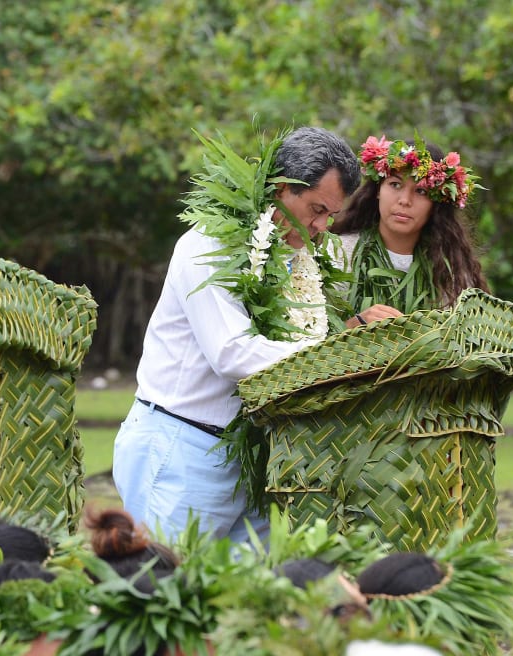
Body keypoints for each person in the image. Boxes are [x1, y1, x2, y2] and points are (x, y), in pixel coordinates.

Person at [113, 126, 391, 543]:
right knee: (163, 586)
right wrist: (339, 350)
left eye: (330, 216)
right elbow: (233, 354)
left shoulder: (296, 257)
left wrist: (346, 337)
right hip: (183, 446)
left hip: (256, 454)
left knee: (243, 600)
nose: (320, 226)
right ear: (281, 189)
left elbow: (296, 338)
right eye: (316, 209)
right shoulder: (211, 244)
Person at [333, 135, 488, 316]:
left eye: (421, 191)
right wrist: (352, 327)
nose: (405, 200)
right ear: (378, 191)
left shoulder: (452, 277)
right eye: (395, 184)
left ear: (435, 204)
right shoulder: (338, 254)